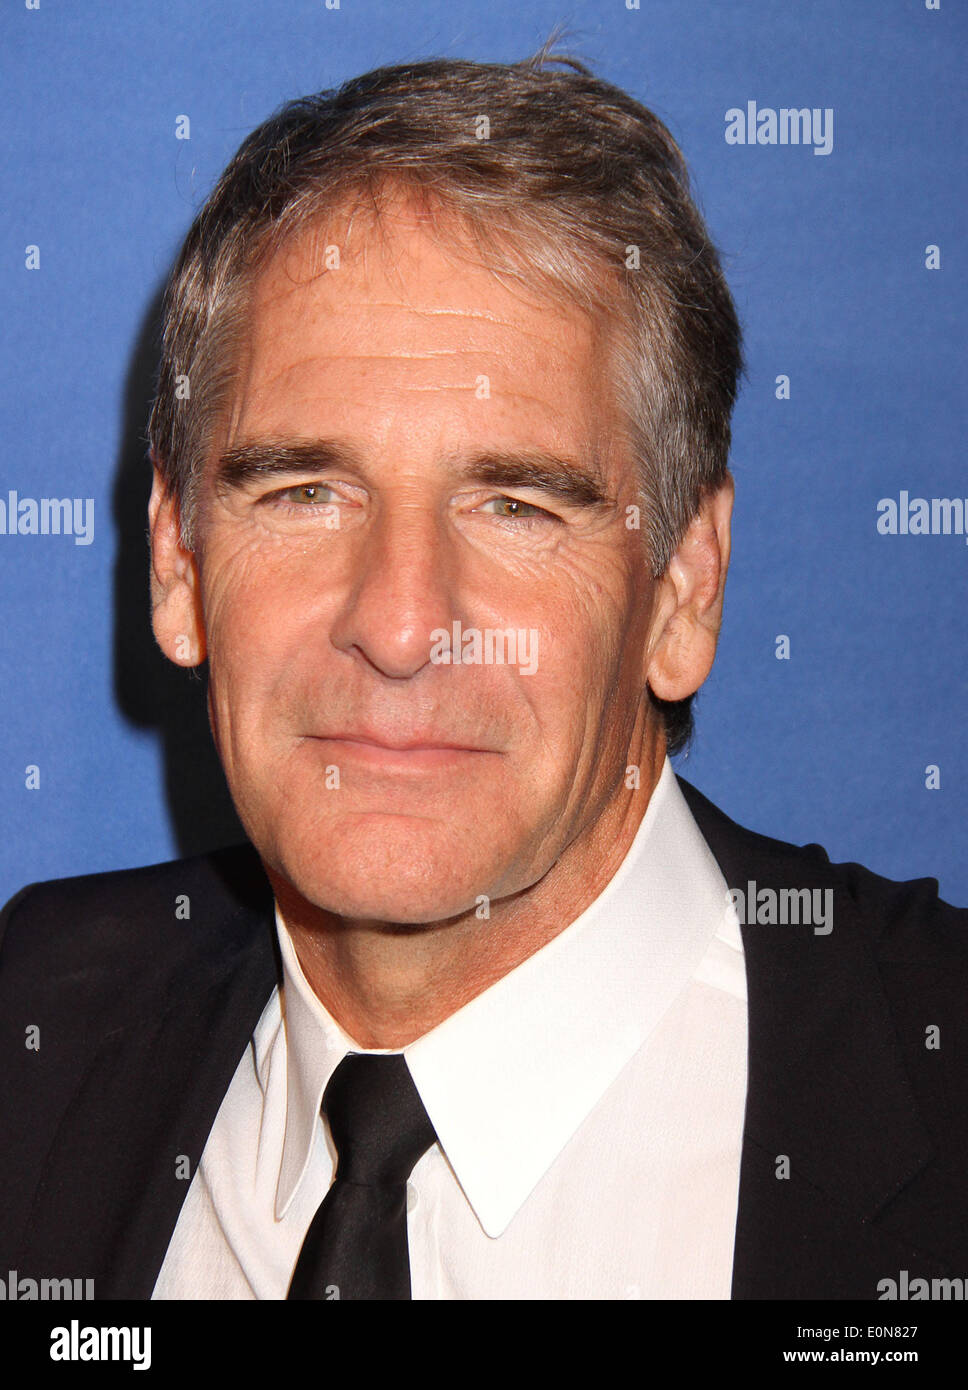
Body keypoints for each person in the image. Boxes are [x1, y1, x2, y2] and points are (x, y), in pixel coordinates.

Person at [2, 46, 966, 1302]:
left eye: (514, 505)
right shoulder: (32, 1036)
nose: (401, 626)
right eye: (303, 492)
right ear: (179, 564)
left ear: (682, 588)